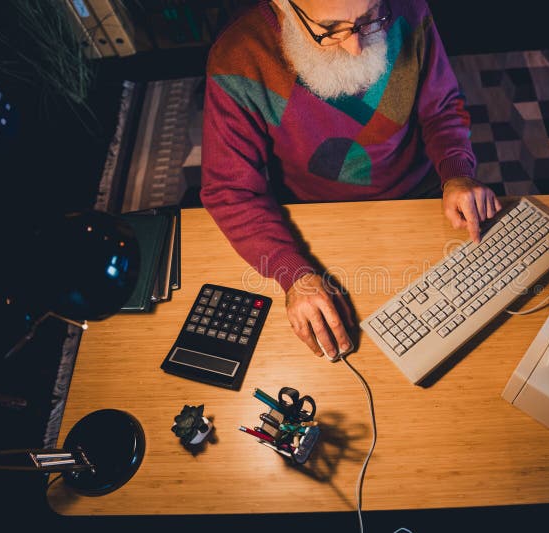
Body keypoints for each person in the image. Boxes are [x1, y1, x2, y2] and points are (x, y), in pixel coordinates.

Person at [201, 0, 502, 361]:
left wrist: (457, 173)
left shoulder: (409, 9)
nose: (356, 46)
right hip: (317, 220)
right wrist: (292, 273)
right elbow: (231, 190)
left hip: (423, 196)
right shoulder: (238, 58)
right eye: (330, 30)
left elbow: (441, 108)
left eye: (369, 18)